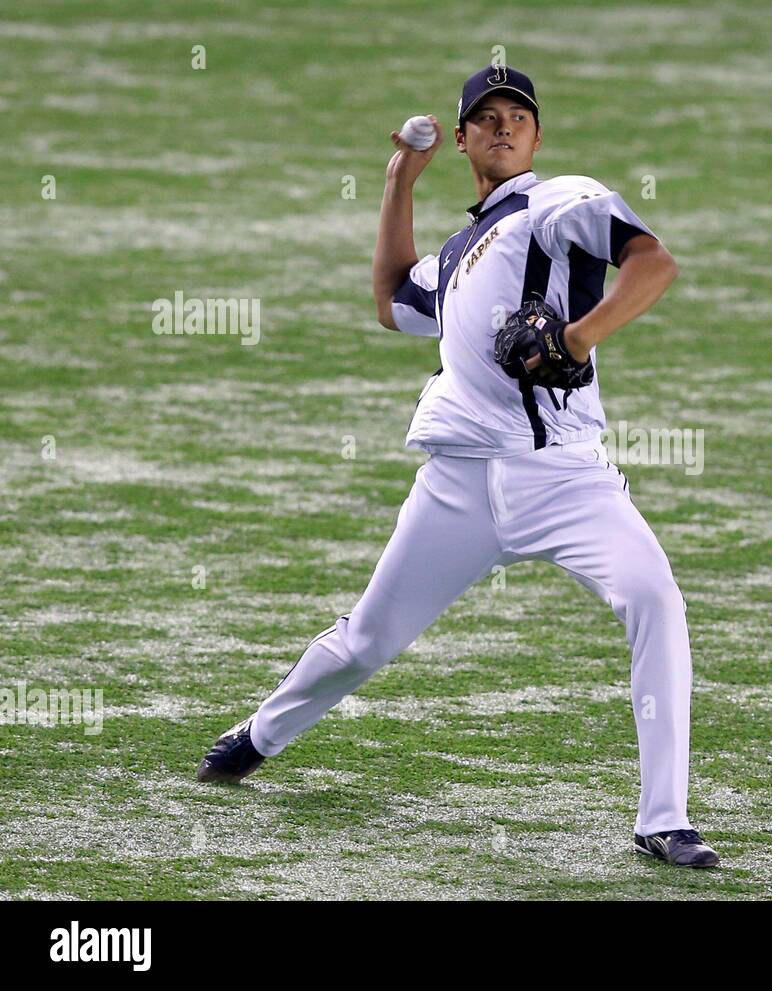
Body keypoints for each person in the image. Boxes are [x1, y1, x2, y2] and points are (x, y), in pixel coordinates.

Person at [195, 65, 719, 869]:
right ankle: (256, 736)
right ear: (466, 136)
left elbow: (654, 263)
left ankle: (665, 818)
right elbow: (391, 299)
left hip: (564, 478)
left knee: (655, 599)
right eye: (488, 117)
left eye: (519, 116)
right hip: (458, 487)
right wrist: (400, 178)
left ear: (537, 138)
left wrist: (578, 339)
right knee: (368, 638)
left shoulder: (561, 200)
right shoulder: (461, 250)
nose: (504, 126)